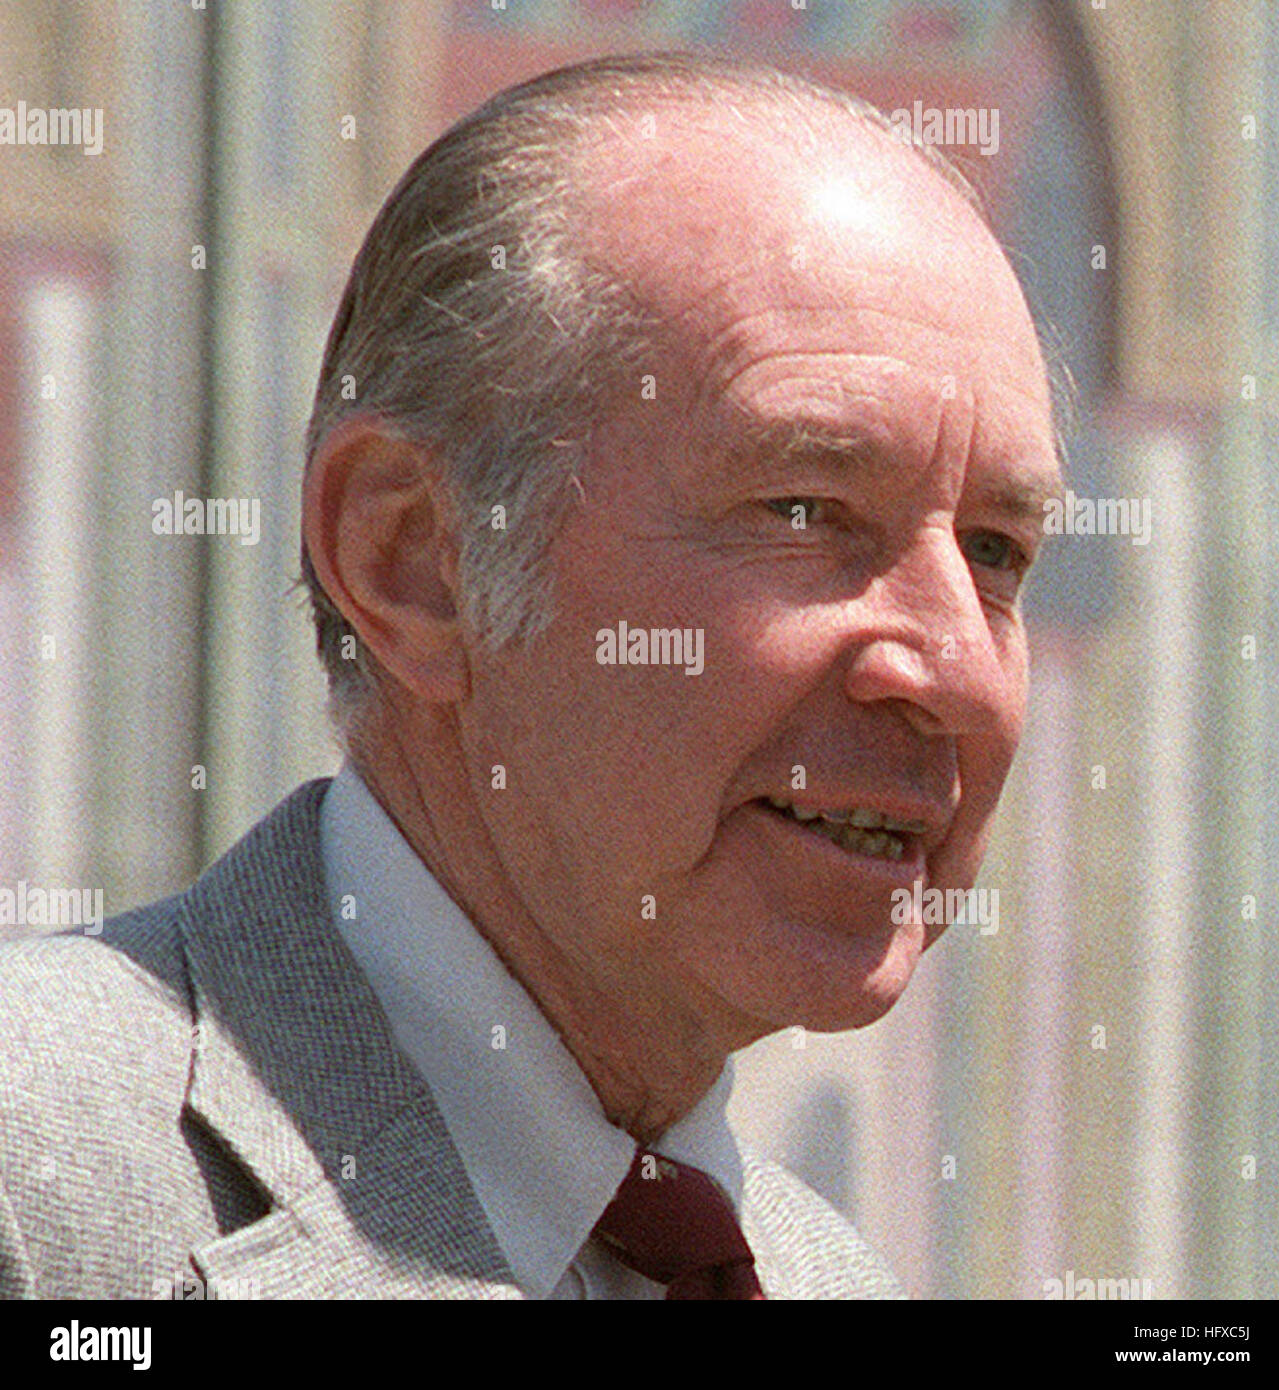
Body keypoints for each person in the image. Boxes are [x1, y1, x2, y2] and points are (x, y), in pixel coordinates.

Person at [0, 51, 1062, 1300]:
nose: (951, 670)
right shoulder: (44, 1183)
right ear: (411, 562)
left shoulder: (834, 1281)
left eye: (995, 550)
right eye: (805, 509)